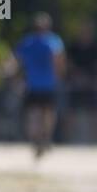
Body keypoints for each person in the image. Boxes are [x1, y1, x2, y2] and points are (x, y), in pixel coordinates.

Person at [15, 13, 65, 158]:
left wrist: (17, 78)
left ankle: (36, 139)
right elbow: (59, 61)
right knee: (48, 113)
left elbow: (17, 61)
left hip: (32, 84)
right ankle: (45, 137)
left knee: (34, 114)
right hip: (48, 84)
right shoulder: (54, 41)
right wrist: (60, 76)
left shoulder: (27, 42)